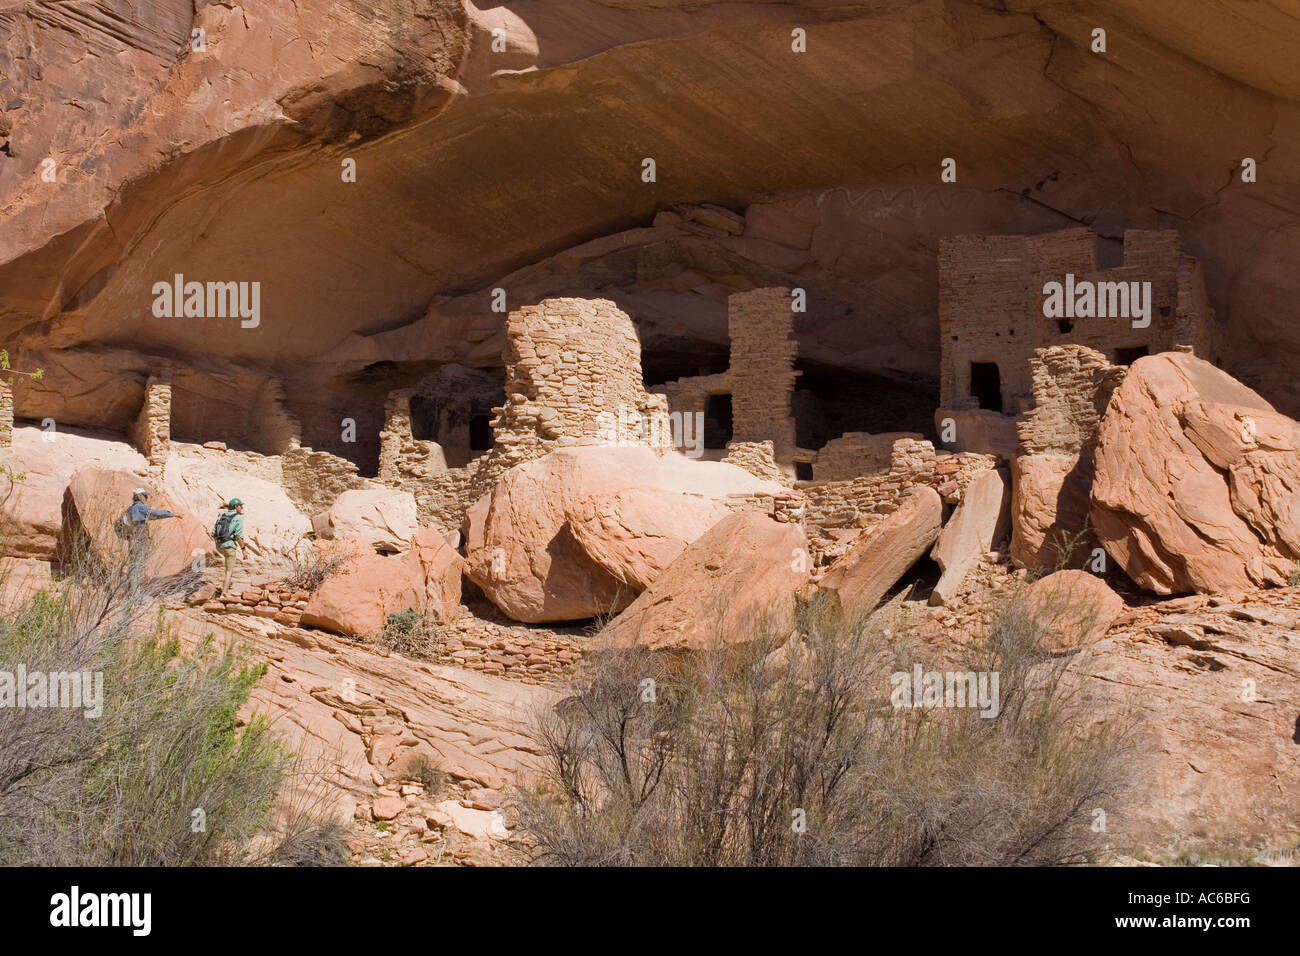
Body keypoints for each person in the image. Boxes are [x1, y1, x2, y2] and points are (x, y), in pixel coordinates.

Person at [118, 488, 178, 574]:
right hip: (140, 537)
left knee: (133, 561)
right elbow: (155, 513)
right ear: (140, 496)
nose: (146, 498)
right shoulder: (140, 507)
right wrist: (171, 514)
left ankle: (131, 585)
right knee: (139, 562)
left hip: (132, 537)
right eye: (145, 496)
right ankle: (135, 584)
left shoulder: (130, 508)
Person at [212, 498, 250, 595]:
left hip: (219, 546)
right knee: (229, 571)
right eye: (241, 506)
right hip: (229, 546)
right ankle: (223, 595)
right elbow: (238, 535)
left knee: (228, 565)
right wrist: (243, 550)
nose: (242, 508)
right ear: (236, 507)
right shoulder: (239, 517)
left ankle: (229, 583)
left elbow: (212, 533)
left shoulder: (221, 516)